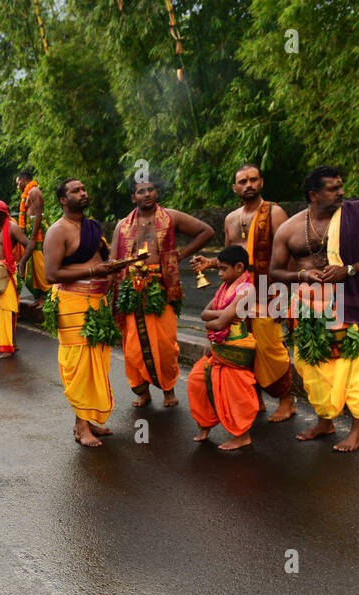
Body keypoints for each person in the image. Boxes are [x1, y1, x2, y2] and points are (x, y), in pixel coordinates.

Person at [269, 165, 359, 452]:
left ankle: (357, 429)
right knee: (312, 367)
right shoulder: (290, 228)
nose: (341, 192)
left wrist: (347, 269)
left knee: (353, 367)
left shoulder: (356, 217)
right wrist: (302, 275)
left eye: (341, 186)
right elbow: (274, 271)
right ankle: (325, 421)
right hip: (306, 310)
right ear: (314, 194)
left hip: (346, 303)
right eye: (333, 188)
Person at [192, 164, 294, 422]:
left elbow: (286, 256)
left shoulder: (275, 212)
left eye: (253, 180)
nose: (248, 185)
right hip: (239, 295)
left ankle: (286, 401)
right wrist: (211, 263)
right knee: (244, 348)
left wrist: (285, 296)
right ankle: (255, 399)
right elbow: (232, 257)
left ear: (261, 182)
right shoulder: (231, 219)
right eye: (242, 181)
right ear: (235, 187)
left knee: (271, 350)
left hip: (267, 294)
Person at [110, 178, 214, 406]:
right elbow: (114, 260)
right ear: (133, 197)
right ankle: (143, 392)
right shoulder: (122, 225)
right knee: (133, 345)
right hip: (132, 290)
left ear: (156, 192)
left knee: (165, 344)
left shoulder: (171, 216)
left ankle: (168, 390)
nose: (147, 194)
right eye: (140, 191)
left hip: (162, 287)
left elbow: (206, 231)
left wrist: (180, 255)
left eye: (151, 189)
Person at [42, 178, 118, 447]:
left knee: (98, 362)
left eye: (84, 189)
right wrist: (92, 272)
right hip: (72, 303)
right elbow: (51, 274)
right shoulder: (57, 231)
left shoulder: (93, 227)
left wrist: (112, 268)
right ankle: (82, 427)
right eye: (76, 190)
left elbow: (102, 259)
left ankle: (86, 421)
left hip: (98, 303)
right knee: (79, 366)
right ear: (63, 200)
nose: (83, 193)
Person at [187, 245, 262, 451]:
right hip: (219, 347)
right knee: (197, 380)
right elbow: (205, 313)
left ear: (239, 267)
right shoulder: (225, 287)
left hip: (235, 347)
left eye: (223, 269)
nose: (219, 274)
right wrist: (220, 317)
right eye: (218, 269)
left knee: (234, 390)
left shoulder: (247, 289)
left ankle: (242, 435)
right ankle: (205, 425)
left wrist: (216, 320)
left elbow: (218, 323)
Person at [0, 200, 33, 357]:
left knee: (6, 310)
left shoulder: (12, 227)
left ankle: (6, 347)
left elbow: (28, 244)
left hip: (5, 273)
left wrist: (22, 262)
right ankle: (9, 342)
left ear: (3, 214)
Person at [16, 169, 51, 302]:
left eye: (18, 183)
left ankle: (49, 298)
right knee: (34, 266)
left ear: (25, 180)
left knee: (40, 264)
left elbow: (38, 216)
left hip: (38, 234)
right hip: (32, 232)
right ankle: (40, 297)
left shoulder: (34, 191)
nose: (18, 186)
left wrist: (32, 237)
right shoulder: (28, 194)